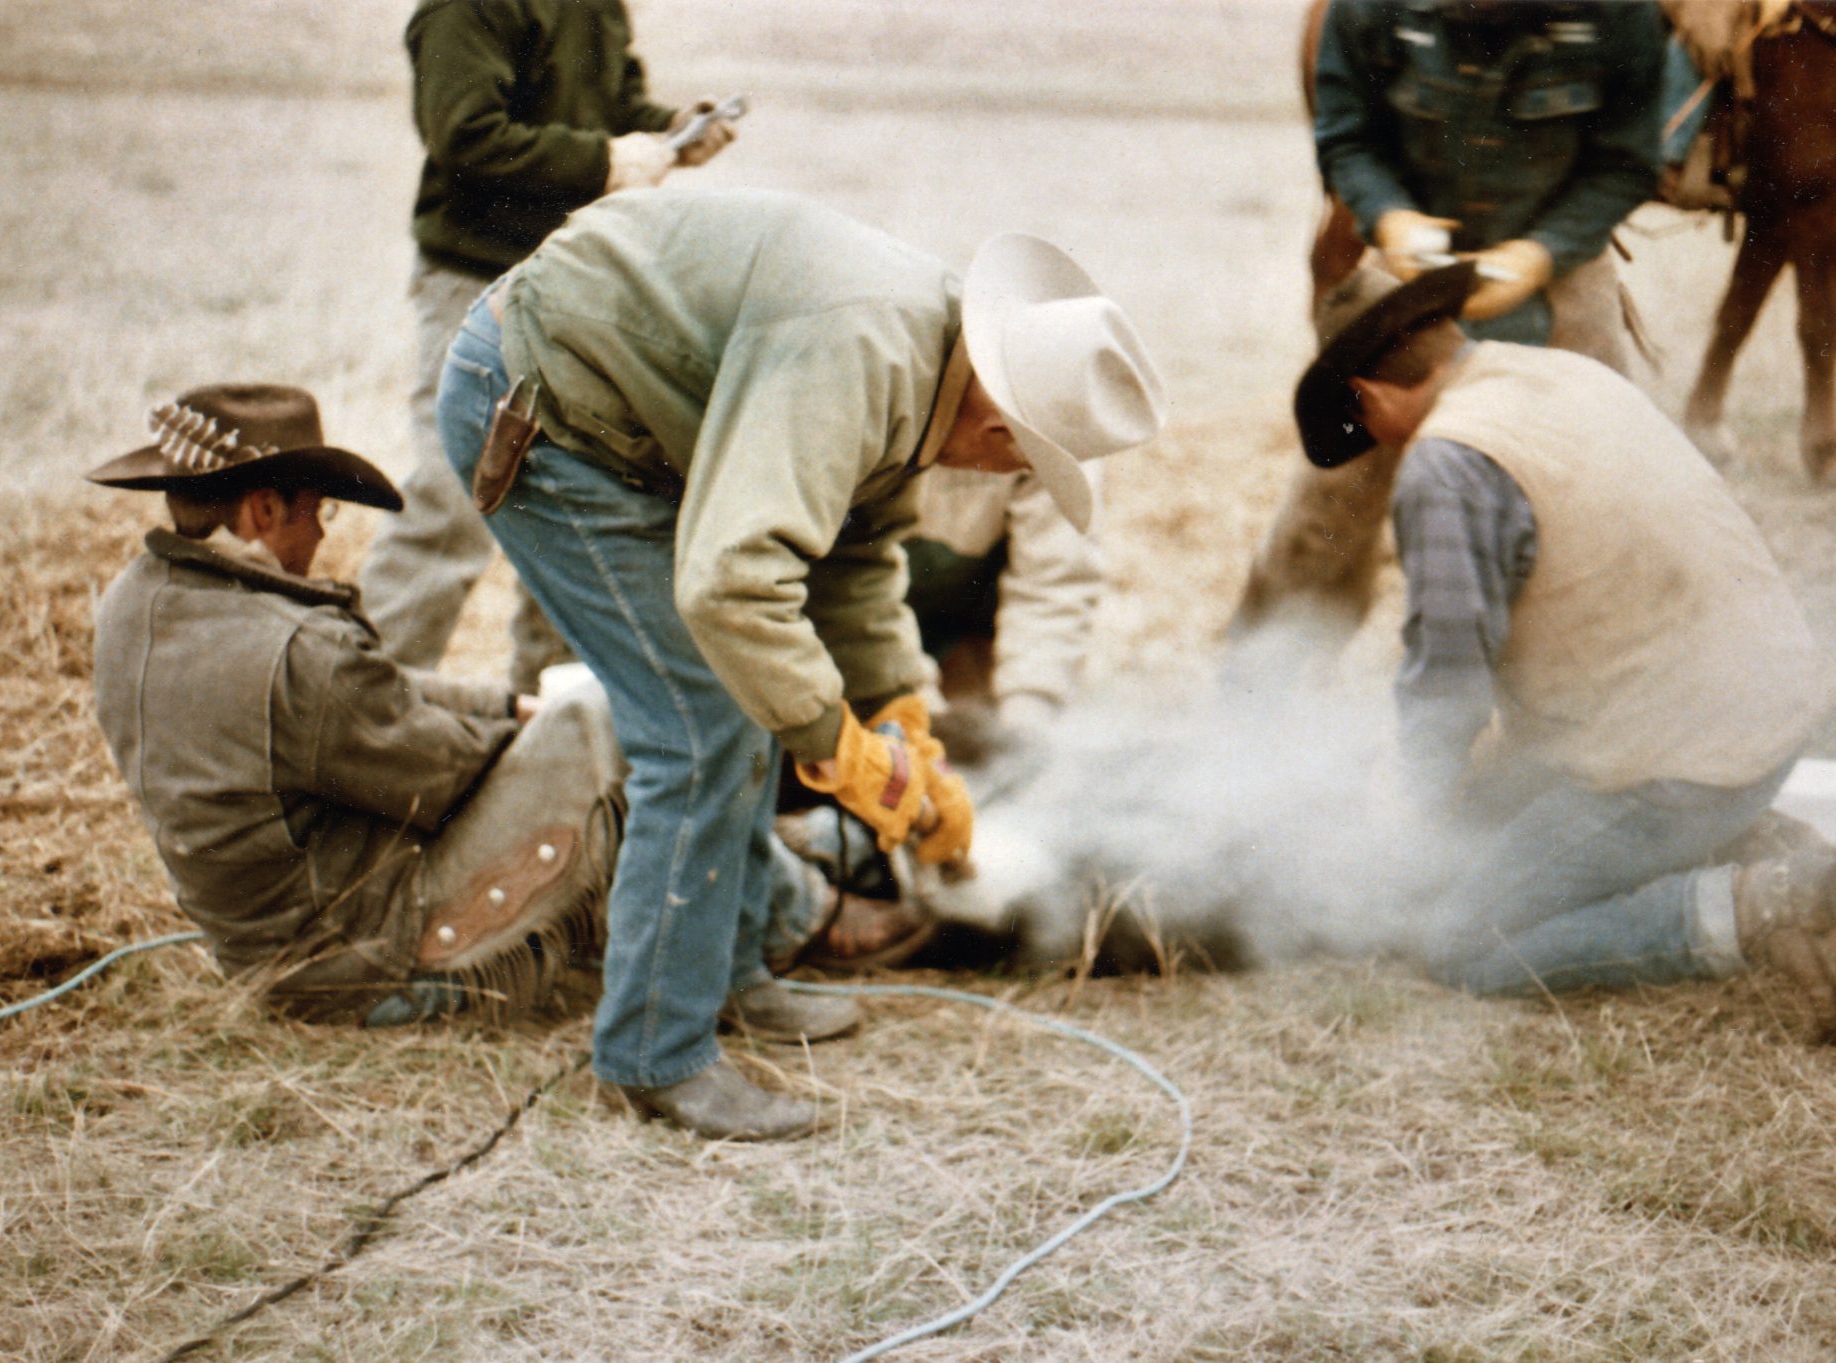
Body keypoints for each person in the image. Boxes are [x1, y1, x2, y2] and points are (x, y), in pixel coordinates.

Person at [440, 188, 1168, 1138]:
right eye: (1021, 465)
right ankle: (657, 1053)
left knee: (740, 703)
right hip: (547, 413)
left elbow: (860, 557)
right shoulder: (863, 354)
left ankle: (729, 969)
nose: (1003, 481)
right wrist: (837, 742)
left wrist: (903, 715)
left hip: (625, 434)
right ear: (1001, 430)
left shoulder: (925, 367)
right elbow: (730, 584)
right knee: (700, 726)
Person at [87, 385, 891, 1030]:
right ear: (261, 510)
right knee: (614, 720)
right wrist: (546, 722)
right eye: (316, 512)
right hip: (368, 958)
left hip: (280, 948)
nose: (322, 536)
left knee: (573, 718)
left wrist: (511, 705)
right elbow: (436, 772)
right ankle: (796, 915)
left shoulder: (139, 602)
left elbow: (381, 702)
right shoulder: (299, 655)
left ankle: (797, 850)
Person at [1291, 264, 1836, 1044]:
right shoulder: (1556, 372)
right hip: (1765, 718)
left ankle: (1749, 907)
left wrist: (1405, 830)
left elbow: (1449, 688)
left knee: (1463, 938)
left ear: (1366, 397)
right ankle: (1742, 833)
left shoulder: (1447, 464)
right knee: (1488, 823)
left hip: (1681, 765)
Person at [358, 0, 738, 696]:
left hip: (571, 290)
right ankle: (353, 709)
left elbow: (610, 105)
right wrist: (605, 161)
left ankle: (552, 734)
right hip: (474, 283)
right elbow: (467, 137)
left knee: (571, 508)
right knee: (450, 505)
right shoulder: (465, 7)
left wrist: (669, 131)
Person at [1312, 0, 1666, 372]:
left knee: (1592, 414)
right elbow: (1347, 139)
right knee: (1361, 408)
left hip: (1563, 265)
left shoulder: (1620, 12)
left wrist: (1540, 256)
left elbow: (1627, 165)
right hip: (1407, 264)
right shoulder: (1365, 8)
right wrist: (1389, 217)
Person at [904, 461, 1102, 734]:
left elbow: (1053, 584)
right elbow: (855, 590)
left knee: (978, 740)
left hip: (968, 624)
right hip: (858, 625)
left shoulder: (1072, 436)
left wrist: (1026, 720)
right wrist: (912, 710)